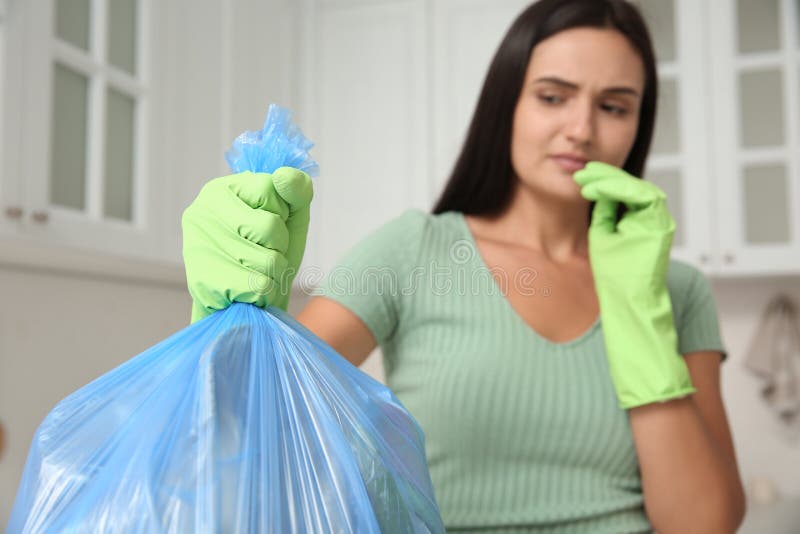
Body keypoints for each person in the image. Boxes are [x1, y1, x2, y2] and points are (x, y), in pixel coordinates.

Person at [181, 0, 747, 531]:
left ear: (637, 124)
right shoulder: (413, 251)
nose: (581, 129)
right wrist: (231, 320)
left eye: (613, 106)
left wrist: (640, 316)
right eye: (553, 97)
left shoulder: (676, 288)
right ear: (507, 106)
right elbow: (249, 421)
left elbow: (703, 524)